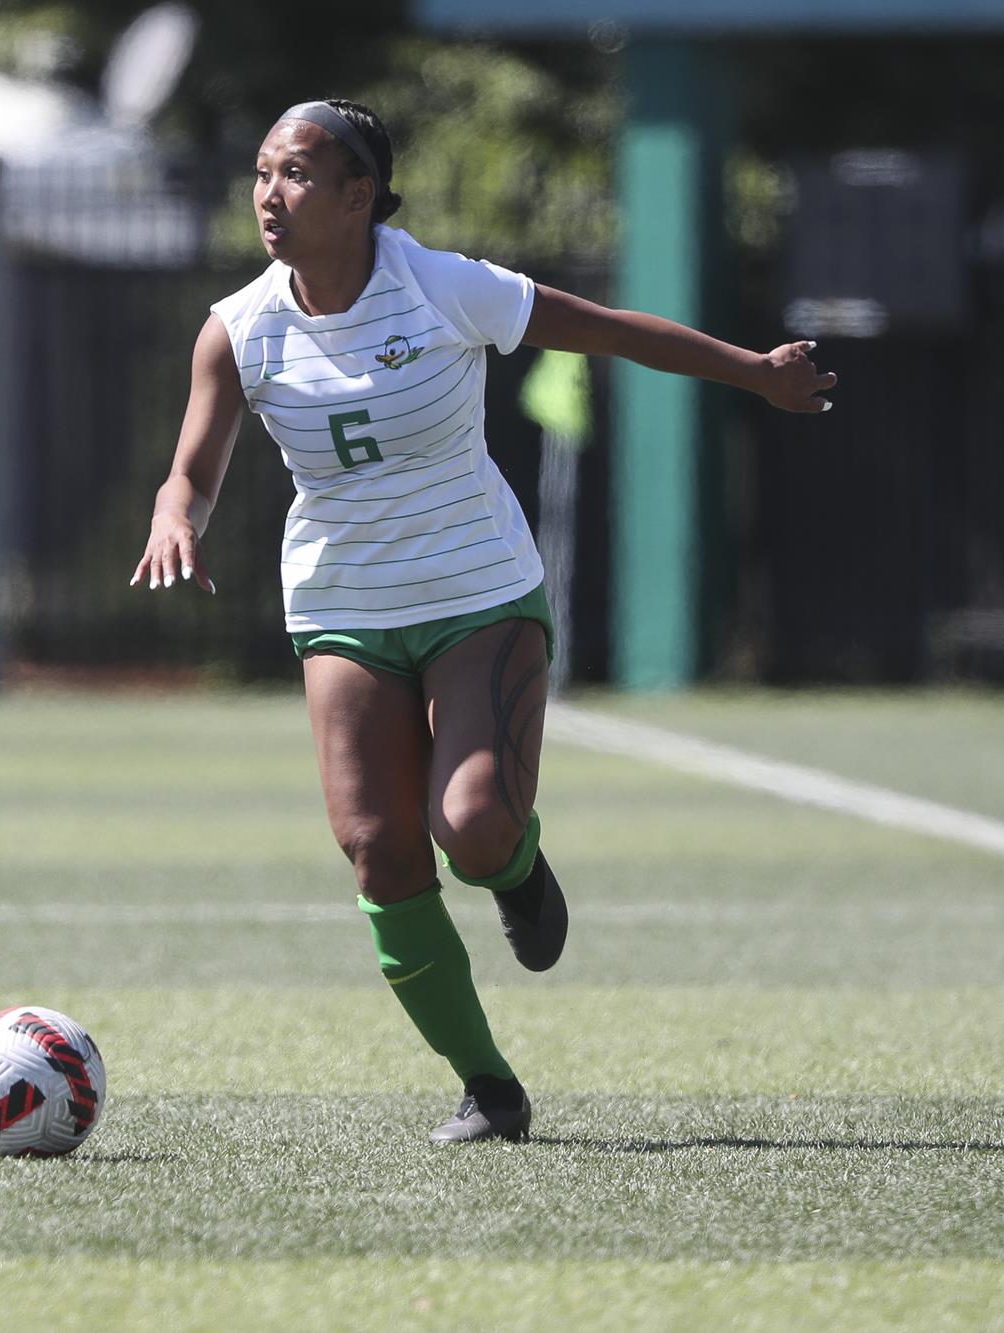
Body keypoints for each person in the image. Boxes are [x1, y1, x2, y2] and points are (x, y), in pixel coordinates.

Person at [130, 98, 835, 1144]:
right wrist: (172, 514)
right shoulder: (239, 327)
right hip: (341, 605)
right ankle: (487, 1085)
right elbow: (191, 468)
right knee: (376, 847)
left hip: (474, 589)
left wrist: (752, 373)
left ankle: (512, 866)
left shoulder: (438, 285)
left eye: (296, 175)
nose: (268, 196)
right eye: (262, 173)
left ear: (359, 196)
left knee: (469, 827)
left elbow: (606, 329)